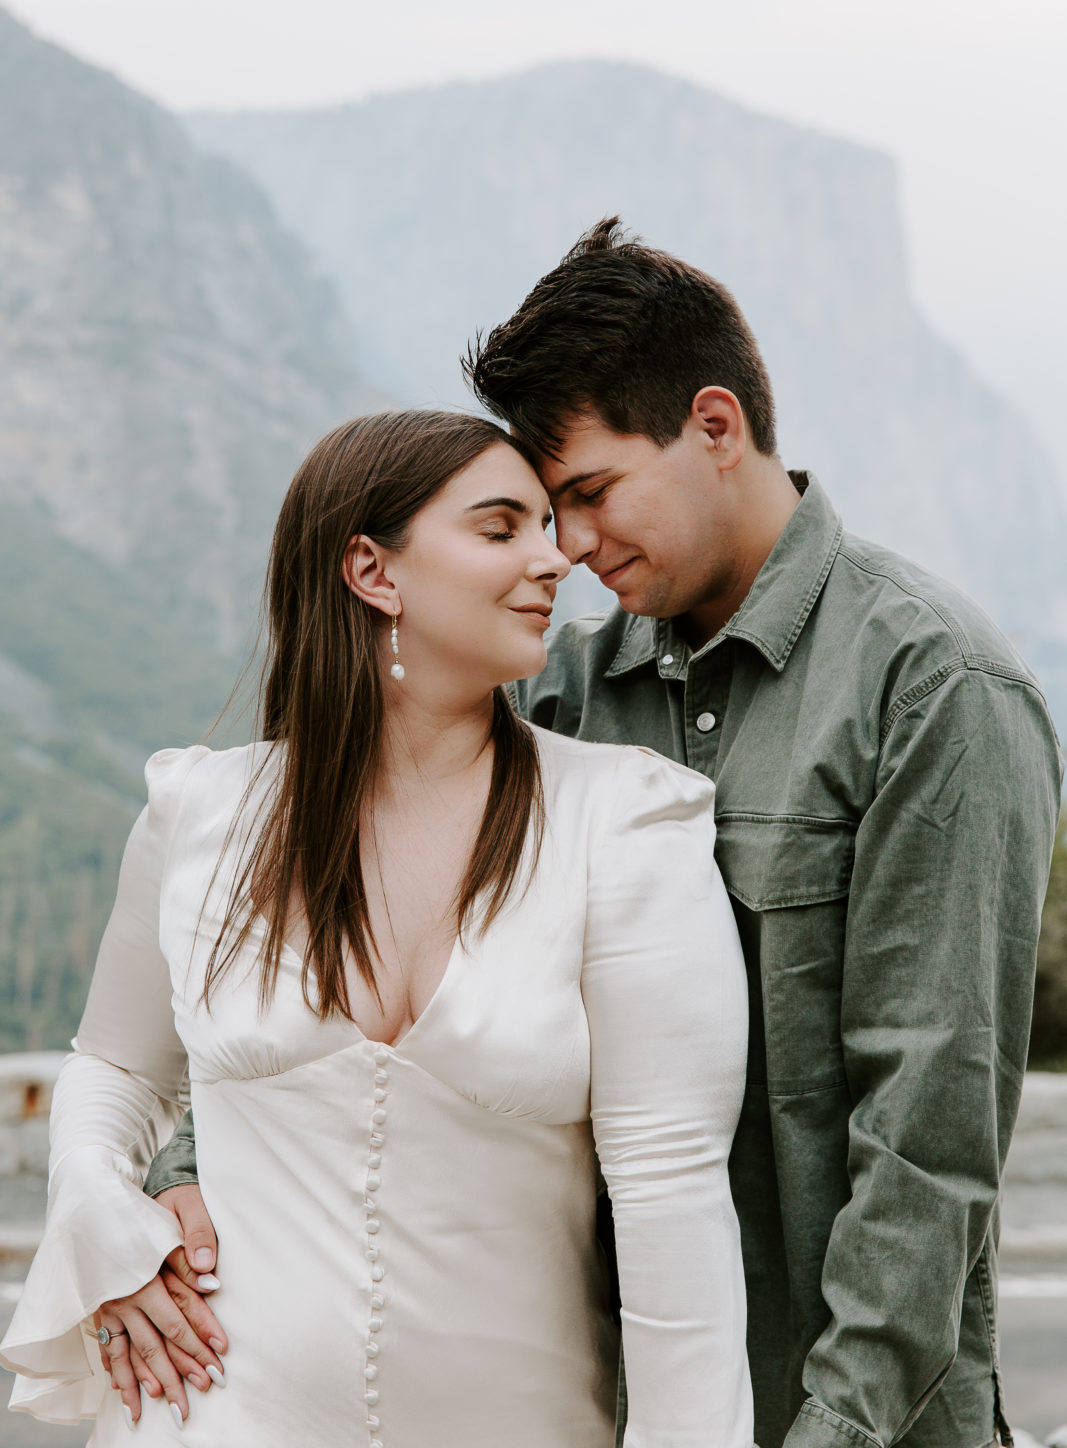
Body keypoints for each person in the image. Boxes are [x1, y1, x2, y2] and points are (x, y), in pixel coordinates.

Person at [75, 218, 1061, 1447]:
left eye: (589, 496)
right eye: (543, 514)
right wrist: (179, 1180)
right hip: (596, 1401)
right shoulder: (559, 696)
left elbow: (927, 1138)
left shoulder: (934, 689)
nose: (571, 551)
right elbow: (336, 966)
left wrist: (825, 1432)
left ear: (715, 426)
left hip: (851, 1412)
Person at [0, 409, 754, 1446]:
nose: (553, 561)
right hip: (203, 1421)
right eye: (501, 529)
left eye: (548, 525)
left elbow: (672, 1202)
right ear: (371, 569)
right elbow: (115, 1068)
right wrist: (101, 1213)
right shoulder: (198, 813)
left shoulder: (622, 822)